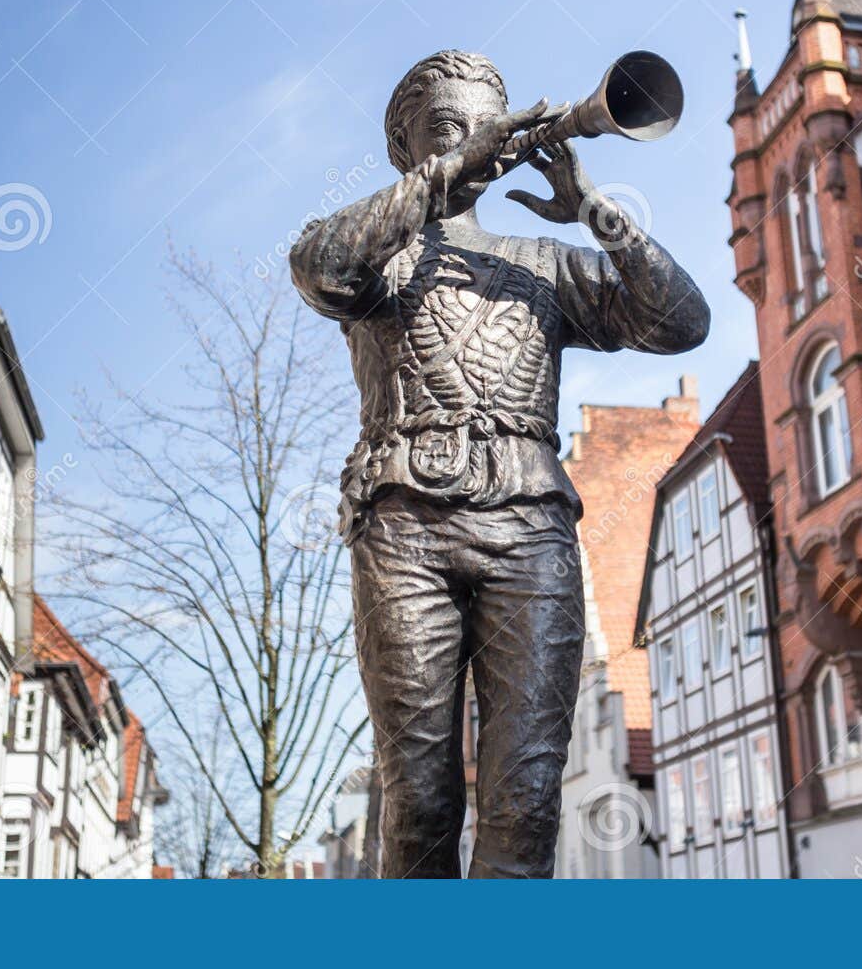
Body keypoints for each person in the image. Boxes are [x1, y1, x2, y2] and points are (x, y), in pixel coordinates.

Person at [289, 50, 709, 877]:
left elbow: (680, 322)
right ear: (404, 144)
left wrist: (593, 209)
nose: (472, 144)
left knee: (526, 797)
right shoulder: (380, 257)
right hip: (405, 528)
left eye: (484, 132)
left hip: (532, 532)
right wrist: (443, 179)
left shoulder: (543, 265)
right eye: (445, 130)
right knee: (420, 796)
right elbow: (318, 265)